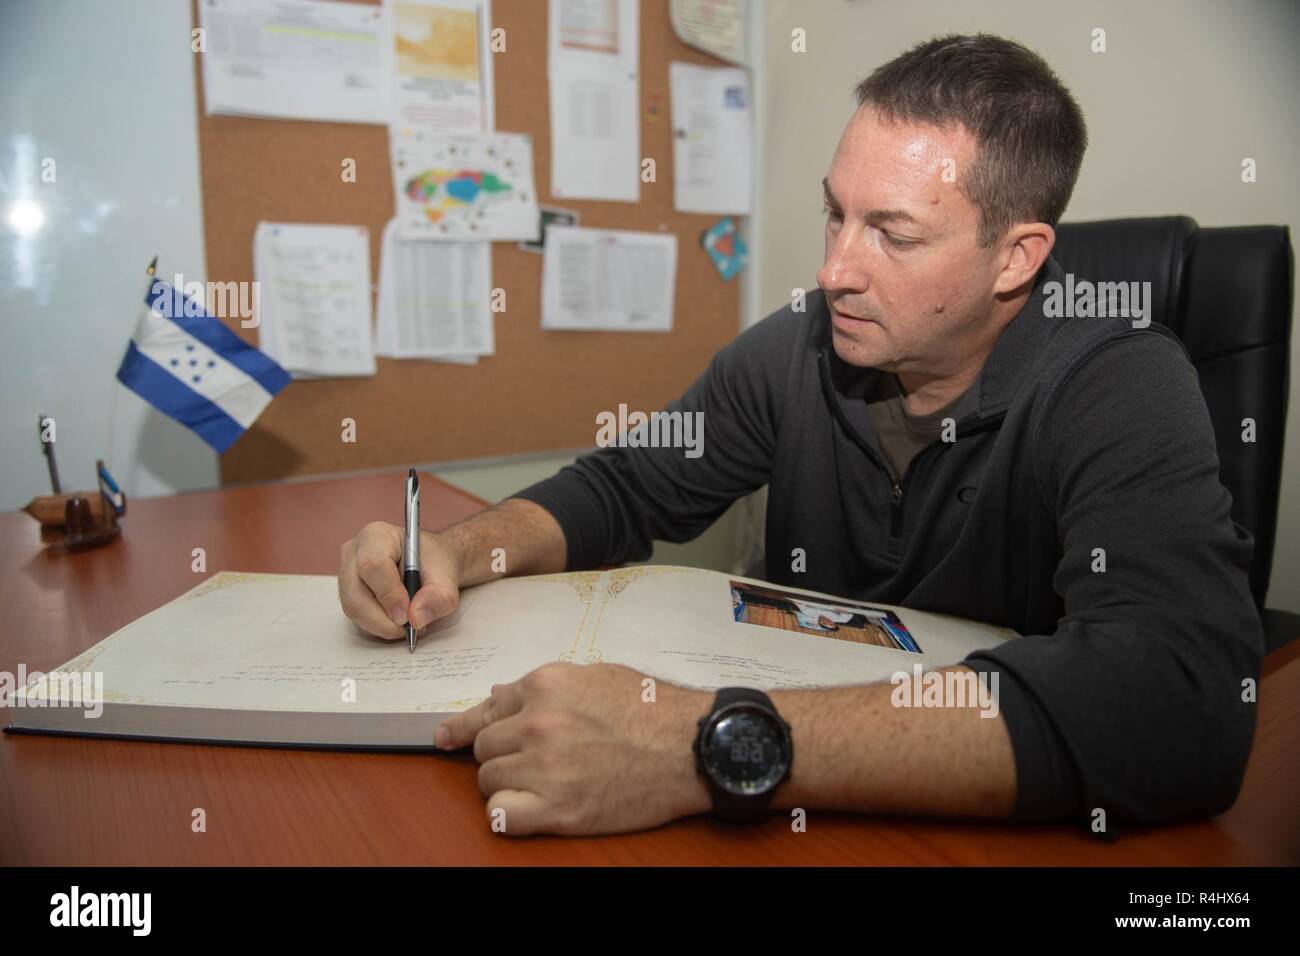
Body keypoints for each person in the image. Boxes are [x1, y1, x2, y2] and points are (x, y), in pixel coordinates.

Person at [338, 34, 1262, 837]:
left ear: (1016, 258)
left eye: (891, 236)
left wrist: (708, 741)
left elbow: (1182, 704)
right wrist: (457, 550)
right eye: (835, 211)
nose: (833, 269)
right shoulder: (801, 347)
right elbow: (624, 487)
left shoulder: (1121, 381)